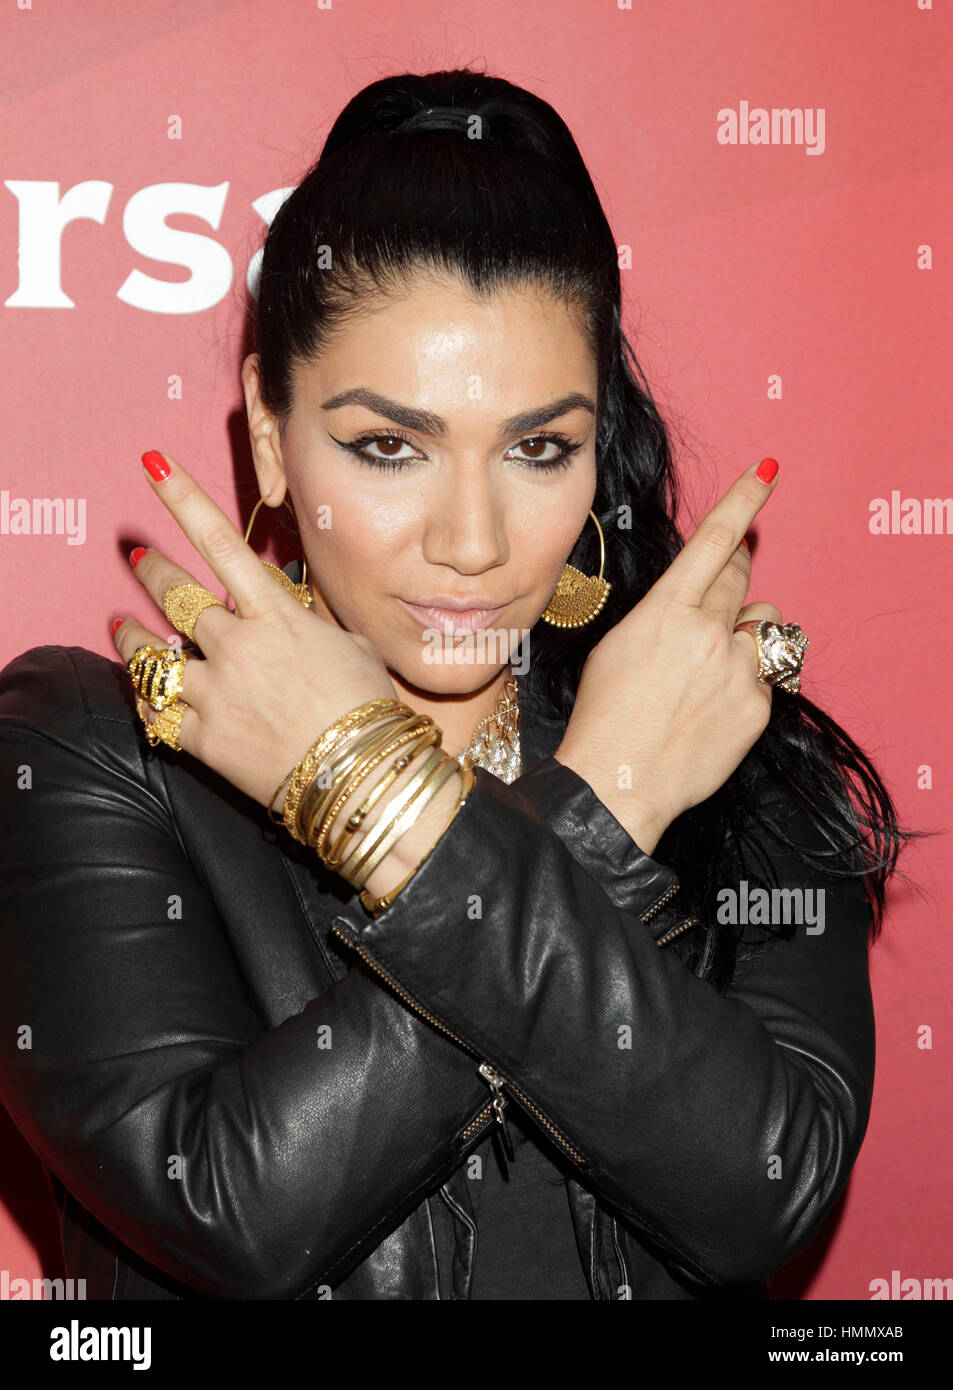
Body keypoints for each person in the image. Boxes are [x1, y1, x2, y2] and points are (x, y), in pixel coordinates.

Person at [0, 67, 917, 1301]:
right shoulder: (94, 745)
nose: (472, 540)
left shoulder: (727, 747)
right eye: (388, 446)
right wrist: (598, 805)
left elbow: (766, 1194)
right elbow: (231, 1210)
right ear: (271, 436)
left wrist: (576, 794)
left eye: (540, 449)